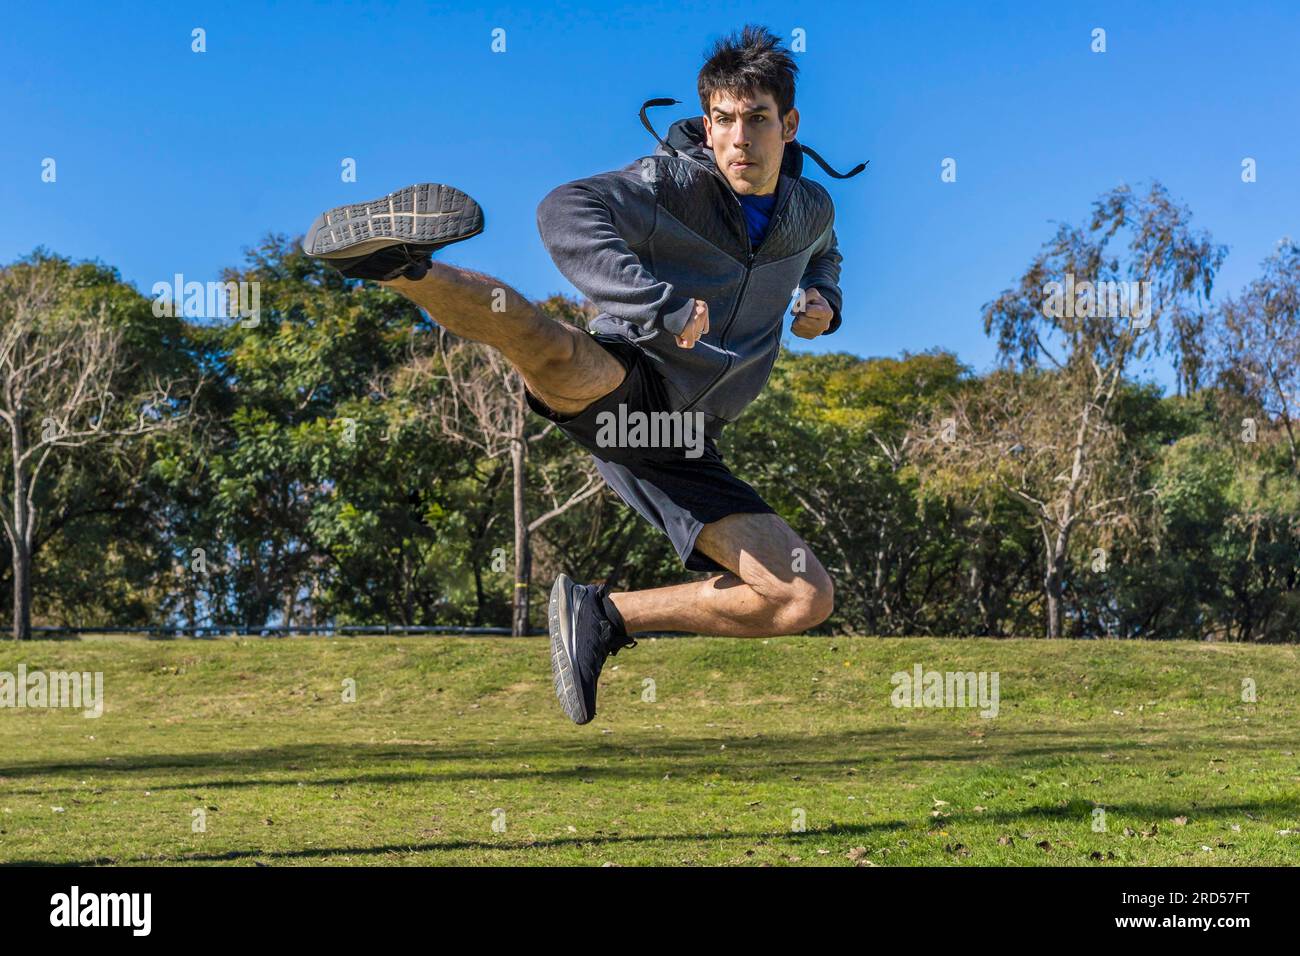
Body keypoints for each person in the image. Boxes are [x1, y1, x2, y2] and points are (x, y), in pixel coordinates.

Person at [302, 24, 864, 725]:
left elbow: (824, 255)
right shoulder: (670, 184)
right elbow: (564, 210)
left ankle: (602, 615)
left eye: (756, 121)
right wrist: (655, 306)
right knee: (551, 348)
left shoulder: (812, 209)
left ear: (790, 123)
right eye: (722, 121)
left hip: (689, 438)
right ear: (705, 123)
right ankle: (400, 266)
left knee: (803, 596)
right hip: (632, 372)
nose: (739, 140)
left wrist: (825, 305)